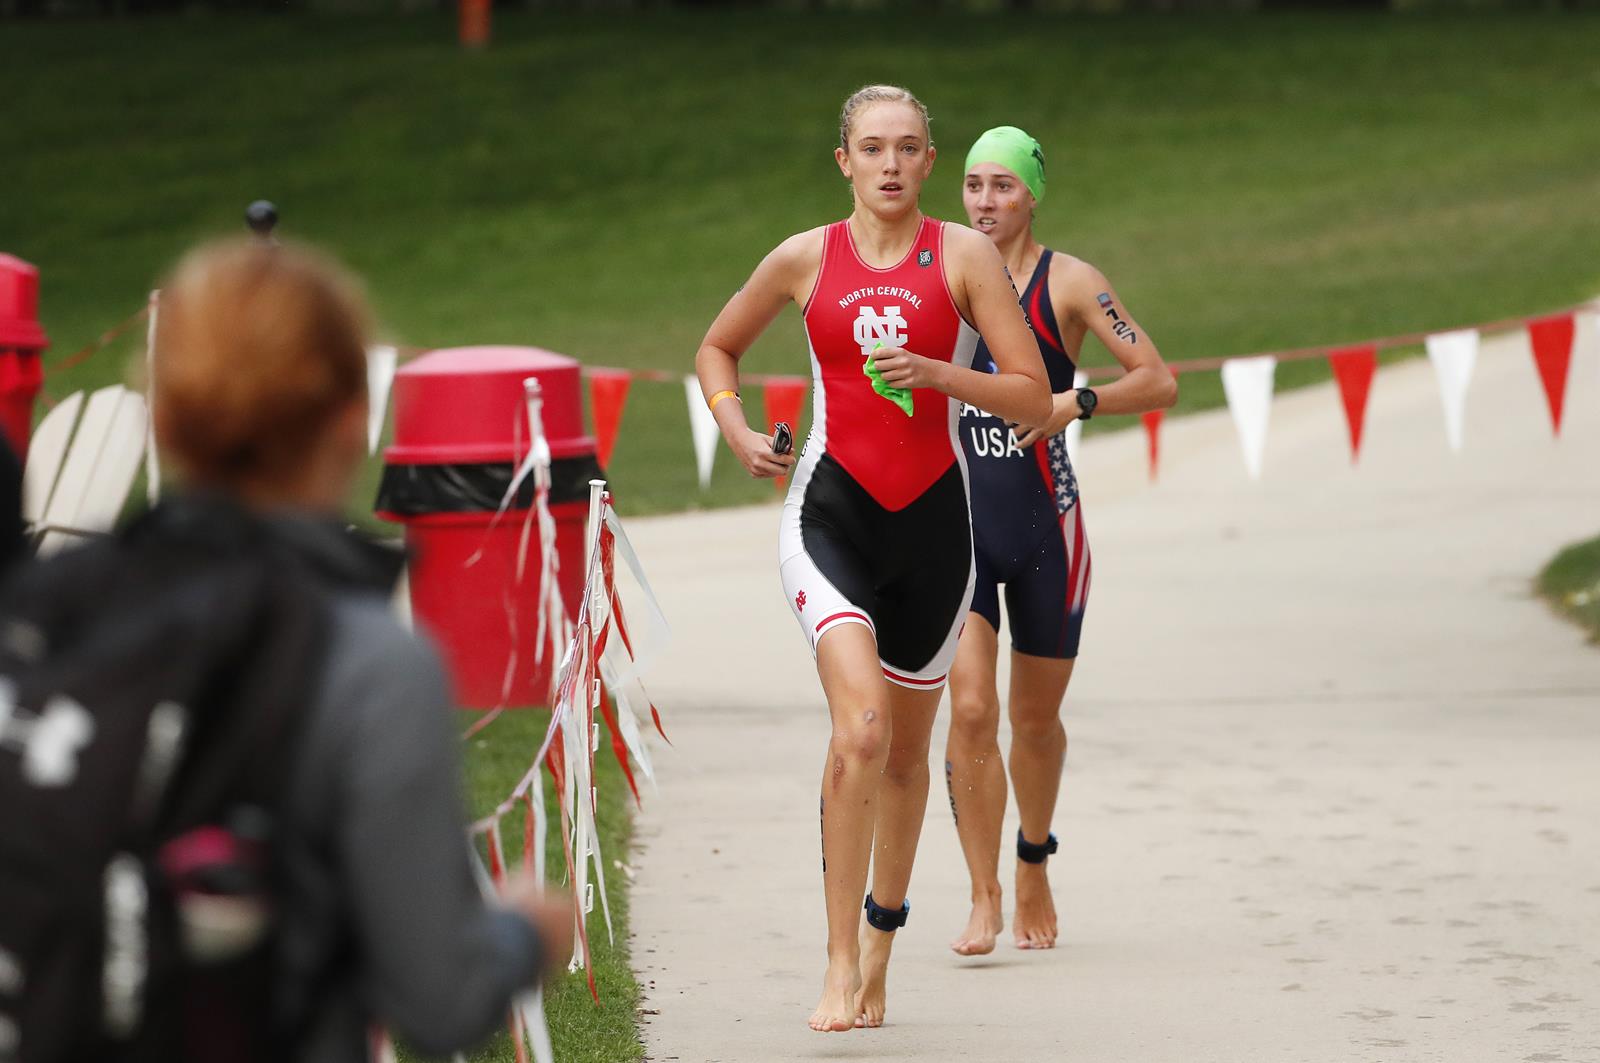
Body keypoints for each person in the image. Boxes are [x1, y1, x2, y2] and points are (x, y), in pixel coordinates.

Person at [23, 239, 569, 1061]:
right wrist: (529, 932)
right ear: (353, 418)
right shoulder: (369, 661)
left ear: (163, 420)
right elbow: (440, 998)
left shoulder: (42, 612)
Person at [693, 87, 1050, 1032]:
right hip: (832, 517)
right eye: (871, 148)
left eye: (908, 148)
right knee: (860, 730)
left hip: (937, 530)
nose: (890, 164)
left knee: (905, 757)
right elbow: (717, 347)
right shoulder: (806, 257)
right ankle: (839, 957)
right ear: (843, 160)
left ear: (930, 162)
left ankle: (883, 941)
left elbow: (1031, 394)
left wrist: (940, 375)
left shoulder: (964, 257)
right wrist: (737, 433)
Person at [945, 126, 1176, 956]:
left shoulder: (1070, 282)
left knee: (1034, 723)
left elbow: (1157, 377)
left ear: (1033, 193)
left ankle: (1034, 855)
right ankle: (983, 893)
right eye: (973, 185)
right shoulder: (940, 275)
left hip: (1049, 531)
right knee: (970, 709)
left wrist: (1076, 402)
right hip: (959, 534)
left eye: (1003, 185)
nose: (985, 201)